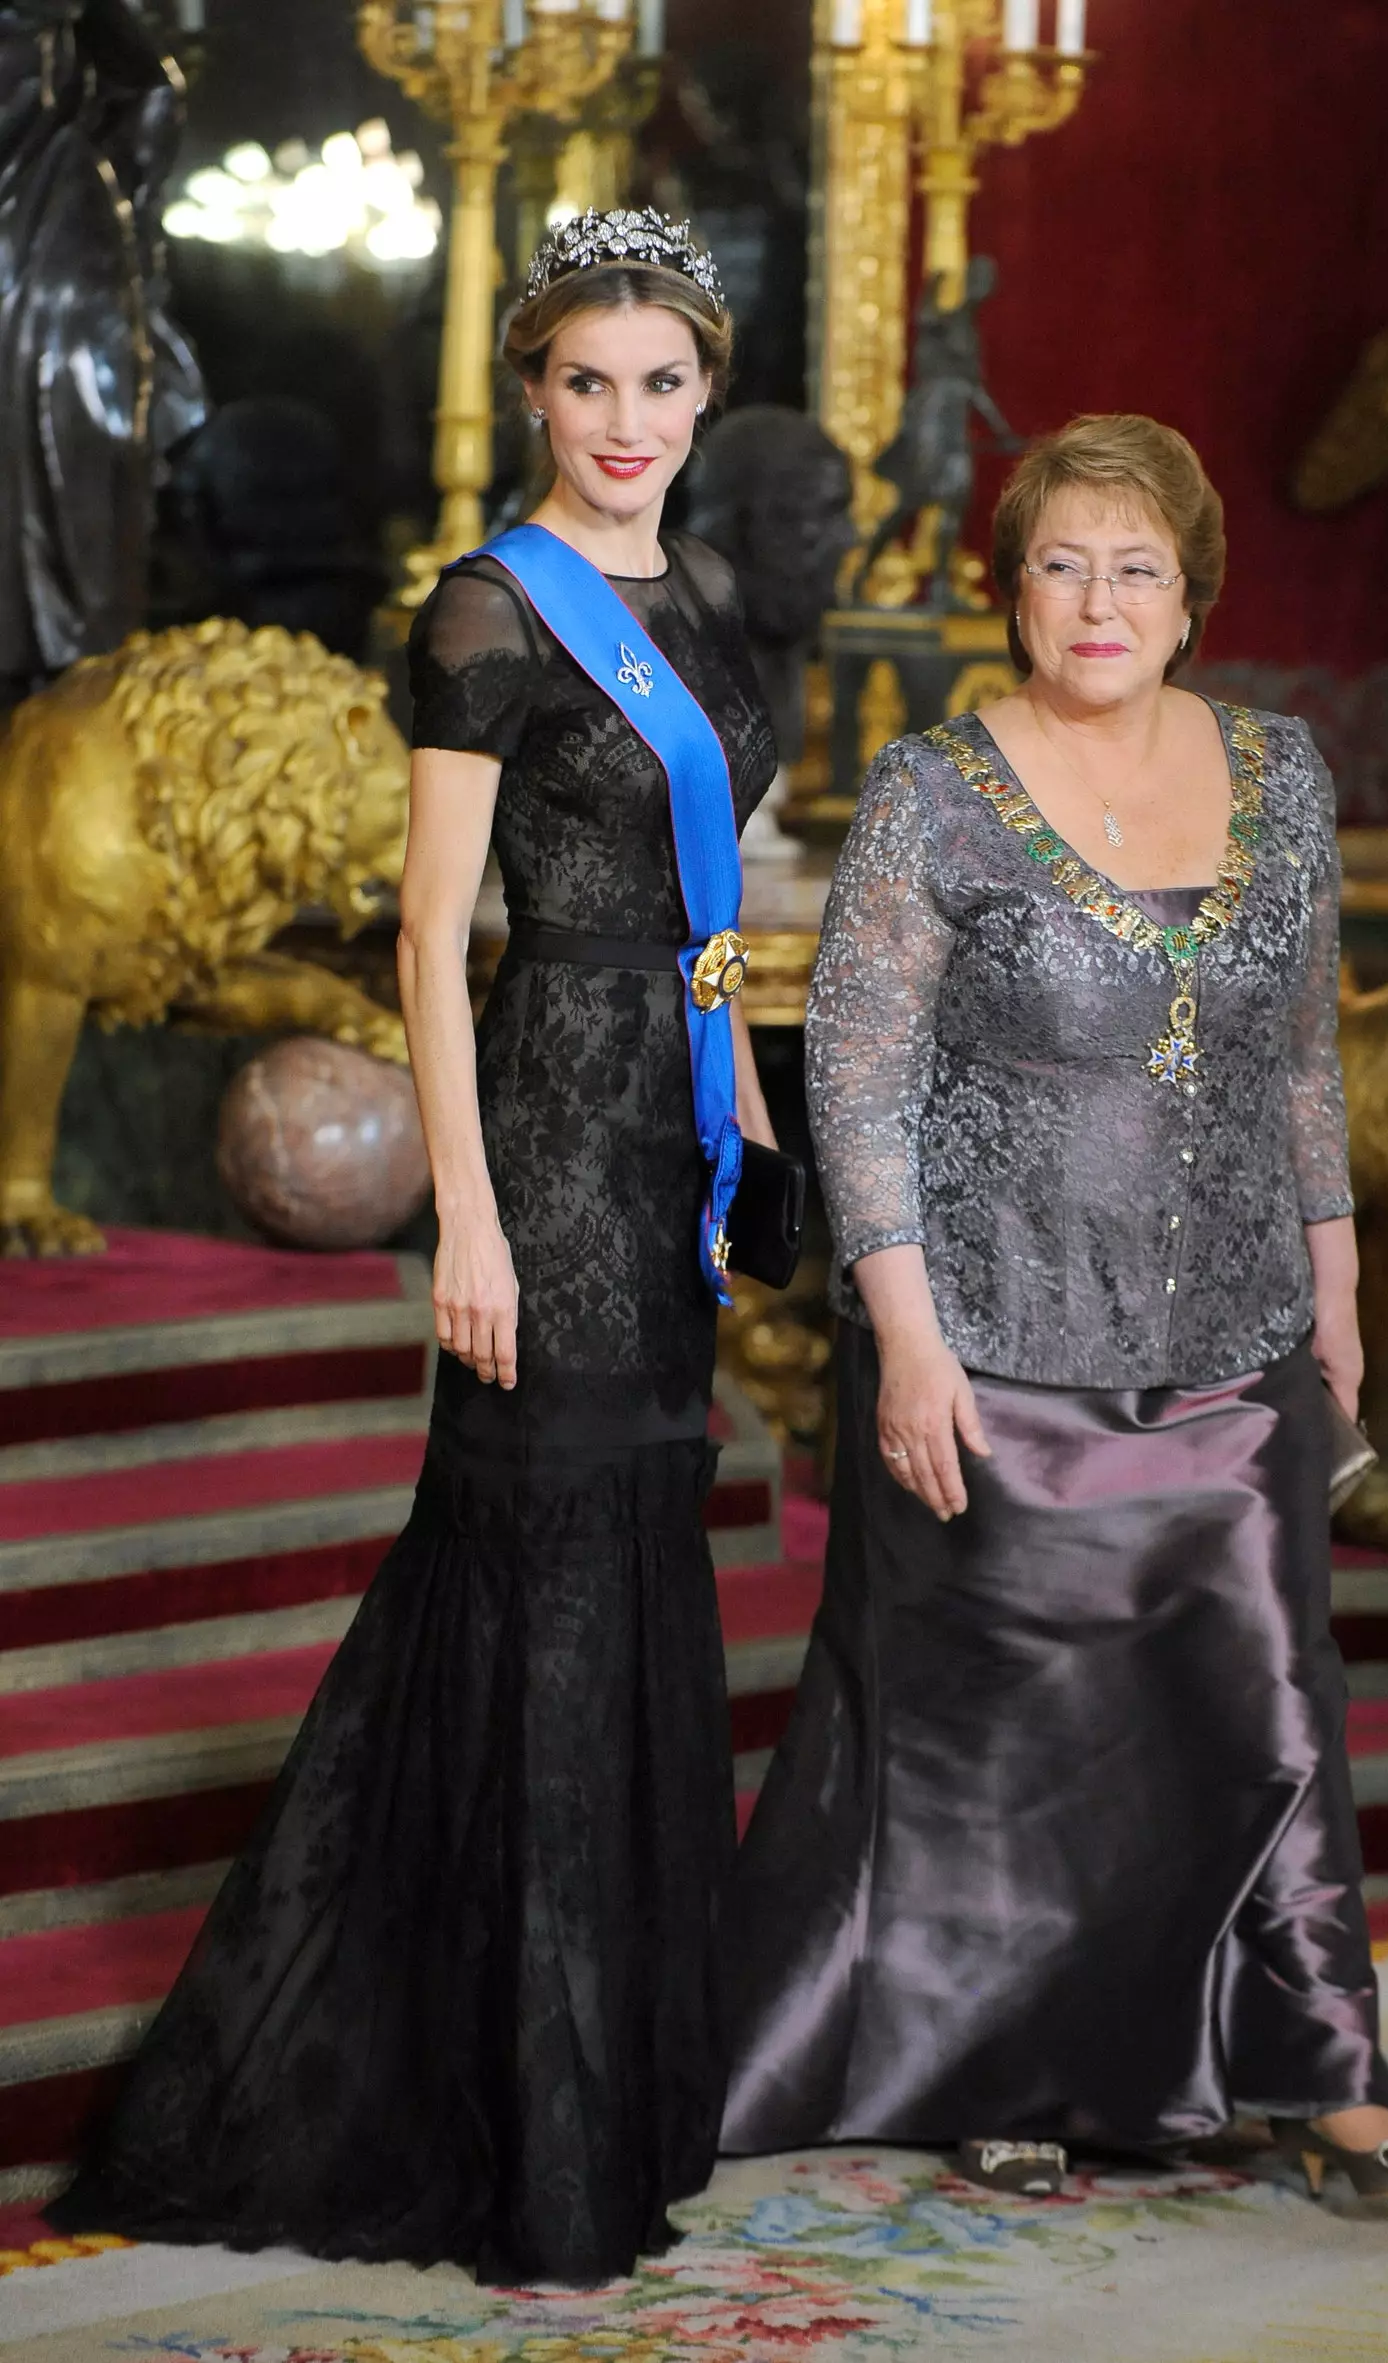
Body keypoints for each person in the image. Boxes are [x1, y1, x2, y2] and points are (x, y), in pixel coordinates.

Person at [51, 208, 779, 2284]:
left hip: (669, 1136)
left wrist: (735, 1092)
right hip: (541, 1129)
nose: (623, 422)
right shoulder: (484, 612)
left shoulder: (711, 591)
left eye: (659, 382)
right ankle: (512, 2129)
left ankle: (614, 2083)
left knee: (634, 1570)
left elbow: (698, 883)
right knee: (529, 1590)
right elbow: (425, 942)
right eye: (585, 382)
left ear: (702, 392)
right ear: (529, 393)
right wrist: (464, 1208)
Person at [720, 414, 1388, 2205]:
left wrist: (1338, 1294)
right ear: (1015, 591)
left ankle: (1329, 2074)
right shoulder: (930, 791)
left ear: (1192, 595)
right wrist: (903, 1335)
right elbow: (864, 1084)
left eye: (1137, 566)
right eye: (1064, 562)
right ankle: (1016, 2063)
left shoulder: (1286, 776)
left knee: (1273, 1703)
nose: (1100, 598)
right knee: (1011, 1741)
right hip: (995, 1340)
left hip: (1232, 1334)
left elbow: (1303, 1055)